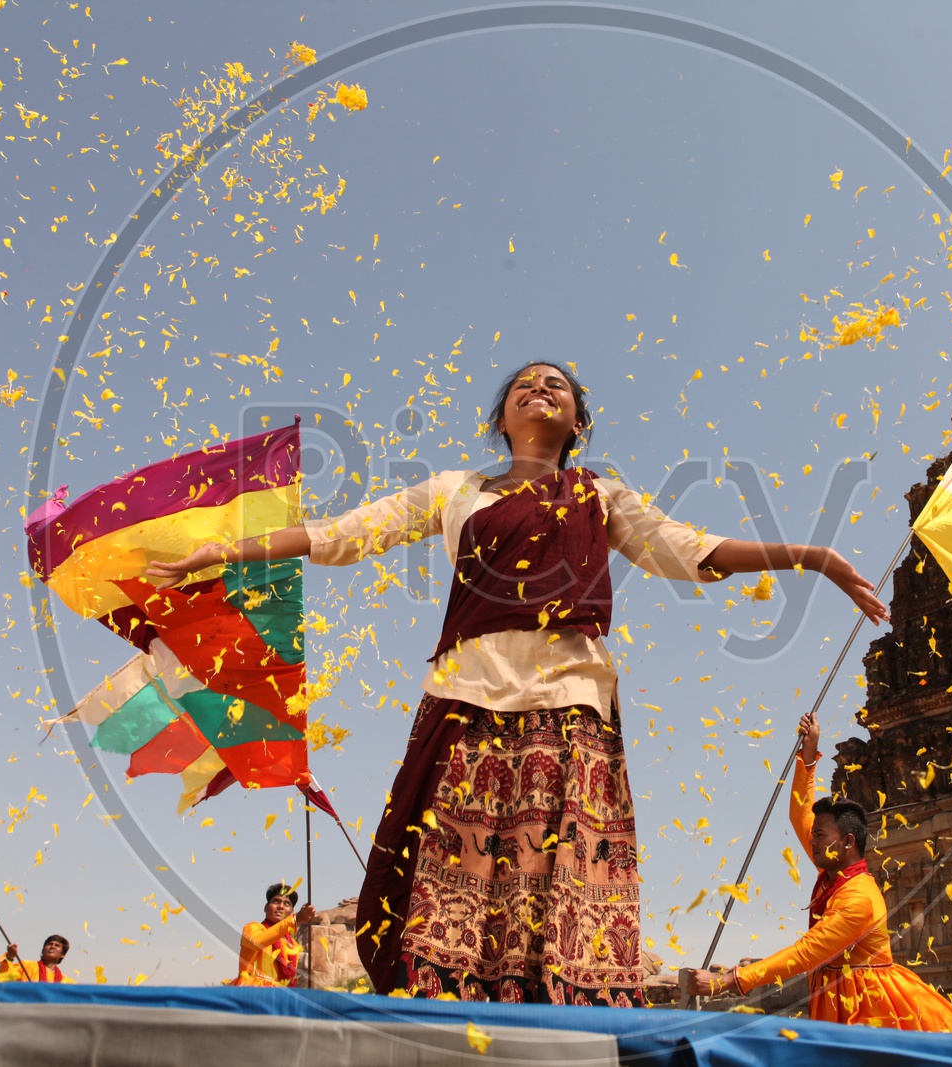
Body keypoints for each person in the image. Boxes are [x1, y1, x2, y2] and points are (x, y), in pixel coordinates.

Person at [150, 362, 886, 1006]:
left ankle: (570, 1025)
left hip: (572, 707)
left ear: (578, 421)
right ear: (500, 419)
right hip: (470, 699)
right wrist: (228, 550)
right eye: (525, 384)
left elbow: (694, 551)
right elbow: (342, 533)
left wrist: (811, 555)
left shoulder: (601, 494)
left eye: (557, 385)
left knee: (565, 879)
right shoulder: (455, 490)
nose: (540, 388)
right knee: (452, 891)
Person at [687, 710, 952, 1033]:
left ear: (847, 842)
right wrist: (808, 757)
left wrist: (730, 980)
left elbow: (810, 950)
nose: (811, 841)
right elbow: (801, 814)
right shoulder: (835, 875)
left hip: (873, 1010)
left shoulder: (859, 897)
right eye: (814, 837)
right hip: (836, 1002)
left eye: (820, 836)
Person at [228, 883, 318, 987]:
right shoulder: (253, 928)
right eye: (276, 901)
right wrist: (295, 919)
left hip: (278, 995)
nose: (281, 906)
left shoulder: (292, 945)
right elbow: (257, 942)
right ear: (266, 908)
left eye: (287, 904)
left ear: (291, 911)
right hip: (252, 992)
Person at [0, 934, 72, 983]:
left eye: (57, 945)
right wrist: (10, 957)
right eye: (49, 944)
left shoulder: (63, 980)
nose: (52, 946)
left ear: (62, 954)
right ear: (43, 949)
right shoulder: (26, 966)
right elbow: (2, 979)